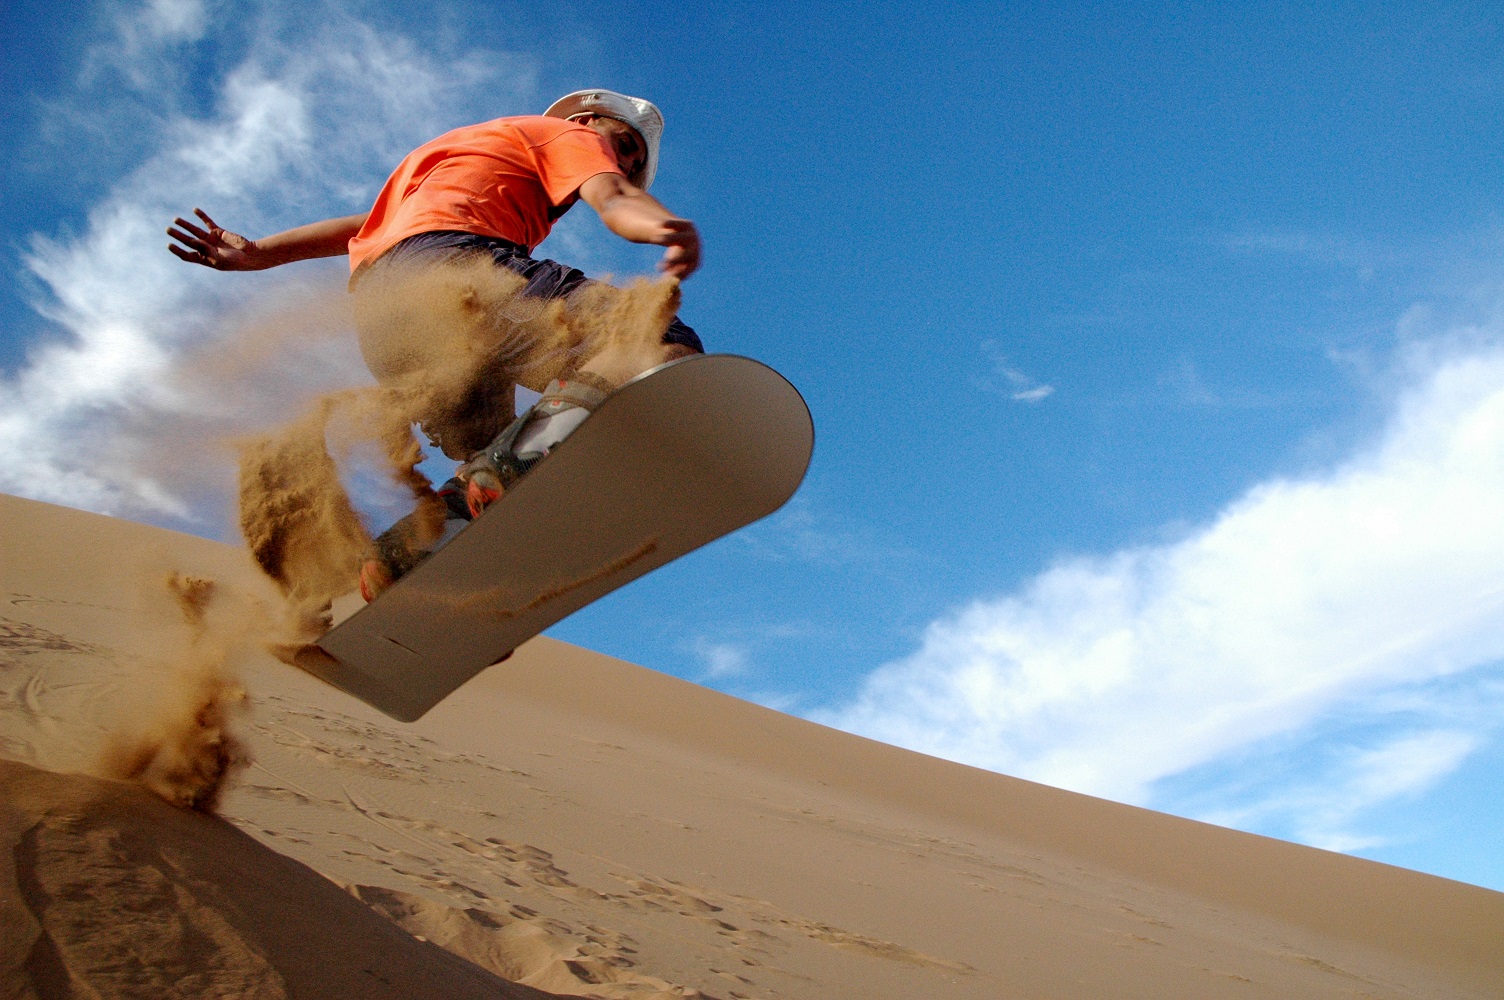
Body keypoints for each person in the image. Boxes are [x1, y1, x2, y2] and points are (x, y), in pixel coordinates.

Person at [168, 89, 703, 601]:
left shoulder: (459, 157)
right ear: (586, 122)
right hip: (457, 275)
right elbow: (613, 197)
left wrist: (260, 253)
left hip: (387, 314)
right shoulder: (561, 136)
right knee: (657, 337)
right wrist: (663, 226)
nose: (620, 162)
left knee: (496, 466)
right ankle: (500, 477)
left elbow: (365, 226)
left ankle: (415, 566)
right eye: (623, 147)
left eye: (632, 161)